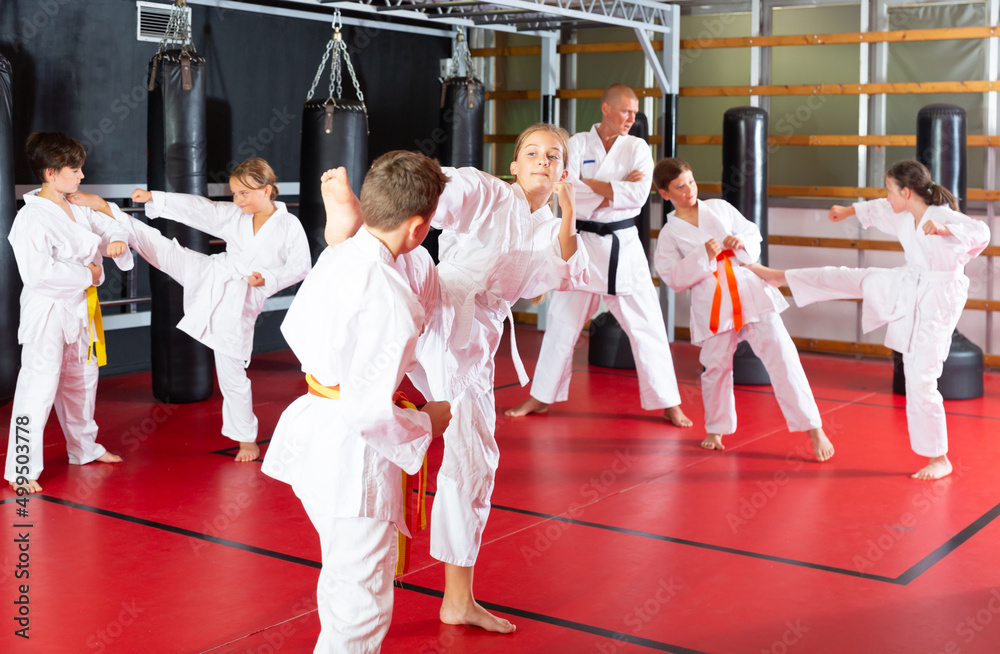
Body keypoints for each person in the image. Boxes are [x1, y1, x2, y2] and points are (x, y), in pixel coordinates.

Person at [321, 125, 591, 634]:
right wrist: (407, 186)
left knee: (472, 458)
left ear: (563, 170)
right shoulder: (489, 192)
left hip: (474, 336)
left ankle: (457, 598)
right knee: (411, 259)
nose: (541, 160)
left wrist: (570, 211)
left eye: (552, 156)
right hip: (441, 301)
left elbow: (559, 274)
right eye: (530, 152)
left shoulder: (548, 223)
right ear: (513, 165)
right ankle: (357, 225)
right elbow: (447, 189)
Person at [261, 151, 451, 653]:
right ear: (417, 229)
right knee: (361, 605)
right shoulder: (389, 297)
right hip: (354, 457)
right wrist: (428, 424)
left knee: (342, 578)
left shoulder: (339, 256)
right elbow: (368, 411)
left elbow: (295, 327)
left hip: (314, 427)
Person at [749, 160, 989, 480]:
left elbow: (980, 232)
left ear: (906, 192)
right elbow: (878, 208)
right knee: (854, 278)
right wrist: (848, 211)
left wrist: (946, 229)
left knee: (921, 378)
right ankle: (780, 277)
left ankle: (939, 458)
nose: (887, 196)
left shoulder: (942, 216)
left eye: (890, 190)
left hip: (939, 300)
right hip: (910, 282)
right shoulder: (904, 213)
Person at [505, 84, 691, 428]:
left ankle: (670, 403)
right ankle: (541, 397)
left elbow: (635, 198)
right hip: (582, 244)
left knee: (648, 326)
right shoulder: (575, 143)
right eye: (625, 111)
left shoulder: (637, 147)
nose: (631, 118)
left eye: (635, 112)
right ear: (606, 109)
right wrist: (611, 189)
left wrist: (589, 185)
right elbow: (565, 190)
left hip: (624, 246)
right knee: (561, 323)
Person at [112, 159, 310, 462]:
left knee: (231, 373)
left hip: (243, 297)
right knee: (165, 252)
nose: (238, 200)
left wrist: (266, 279)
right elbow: (201, 209)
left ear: (267, 190)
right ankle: (110, 215)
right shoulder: (234, 216)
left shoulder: (288, 225)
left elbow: (300, 267)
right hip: (215, 272)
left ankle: (246, 438)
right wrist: (156, 198)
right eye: (235, 193)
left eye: (245, 193)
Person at [652, 158, 833, 460]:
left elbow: (753, 235)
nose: (689, 191)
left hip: (751, 294)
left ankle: (814, 428)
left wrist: (741, 241)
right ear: (665, 193)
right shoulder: (670, 235)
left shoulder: (720, 209)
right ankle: (716, 428)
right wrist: (702, 255)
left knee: (784, 357)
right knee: (716, 367)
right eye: (680, 187)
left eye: (692, 182)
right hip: (714, 305)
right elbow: (672, 277)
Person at [5, 132, 133, 494]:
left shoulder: (74, 206)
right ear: (50, 172)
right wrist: (87, 274)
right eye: (74, 170)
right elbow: (38, 274)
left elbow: (106, 226)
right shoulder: (30, 219)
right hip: (47, 312)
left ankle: (84, 448)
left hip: (78, 309)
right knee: (38, 386)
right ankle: (22, 467)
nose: (80, 176)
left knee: (82, 381)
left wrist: (116, 240)